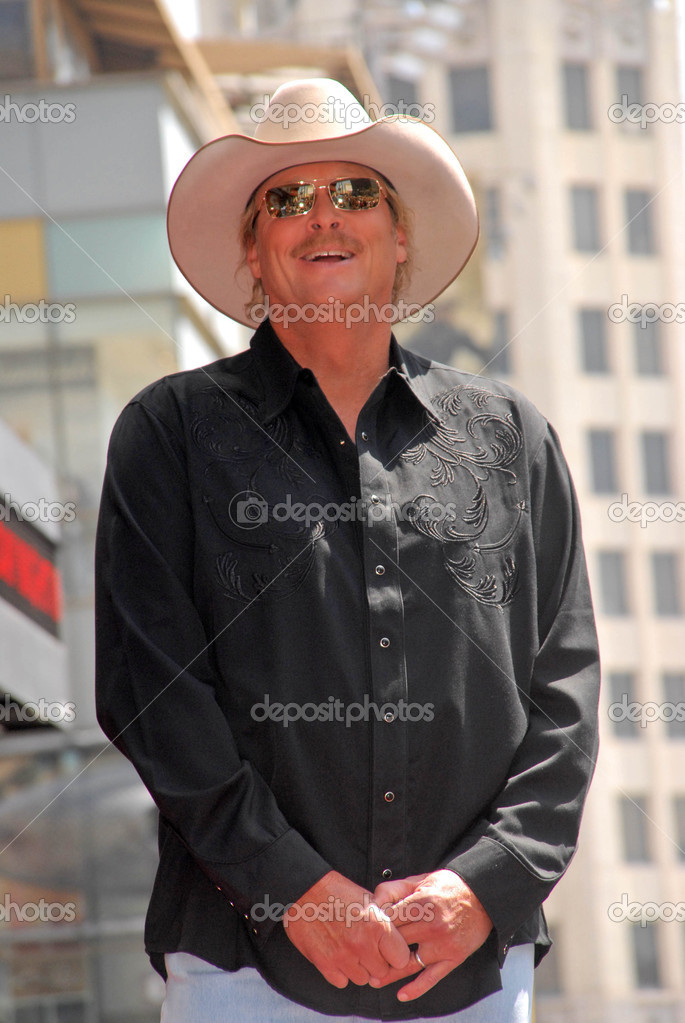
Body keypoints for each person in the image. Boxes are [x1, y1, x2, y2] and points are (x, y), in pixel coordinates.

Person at [95, 78, 600, 1022]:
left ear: (398, 233)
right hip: (243, 970)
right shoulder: (169, 431)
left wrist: (486, 882)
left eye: (354, 192)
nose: (321, 216)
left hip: (471, 967)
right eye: (285, 199)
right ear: (254, 245)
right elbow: (151, 695)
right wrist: (294, 888)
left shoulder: (510, 437)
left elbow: (564, 690)